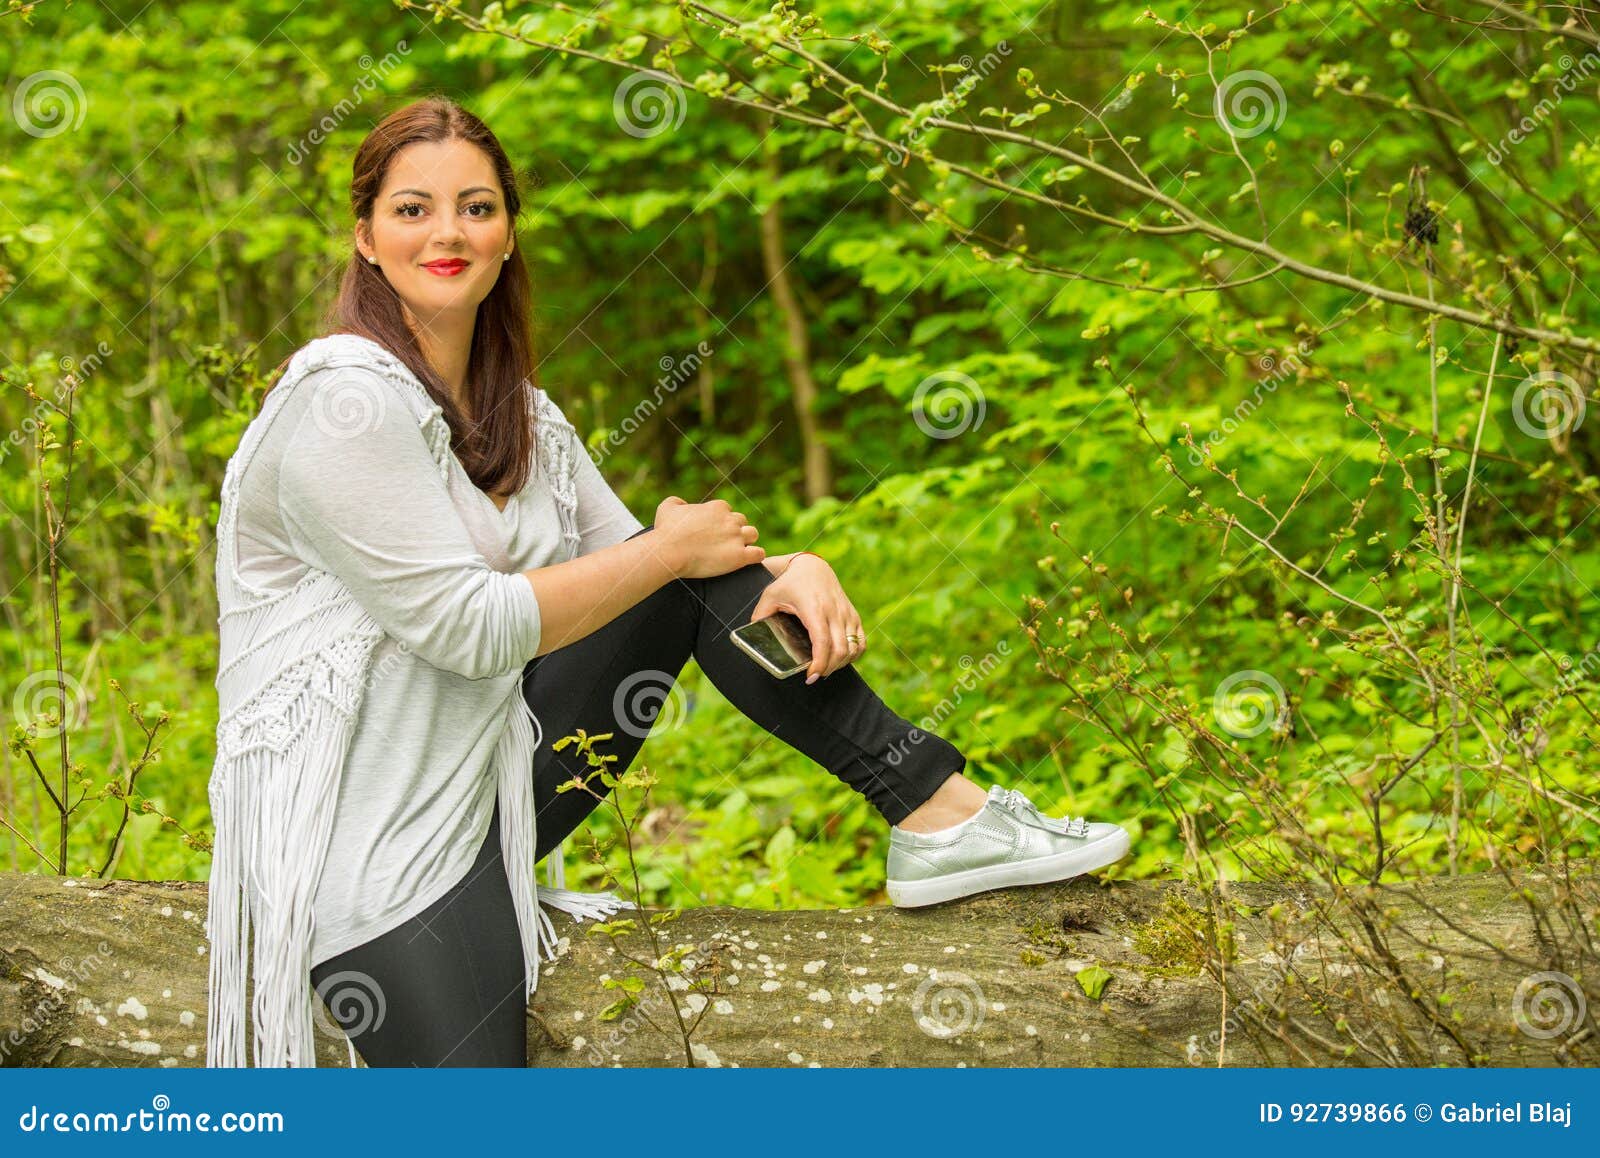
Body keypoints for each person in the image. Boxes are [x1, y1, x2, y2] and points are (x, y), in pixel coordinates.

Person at [207, 96, 1130, 1070]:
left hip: (488, 800)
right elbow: (468, 629)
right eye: (412, 209)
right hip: (361, 849)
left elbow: (662, 573)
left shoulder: (522, 414)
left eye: (477, 207)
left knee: (692, 581)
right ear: (365, 236)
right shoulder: (342, 402)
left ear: (509, 234)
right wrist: (674, 553)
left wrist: (795, 567)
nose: (448, 232)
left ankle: (941, 814)